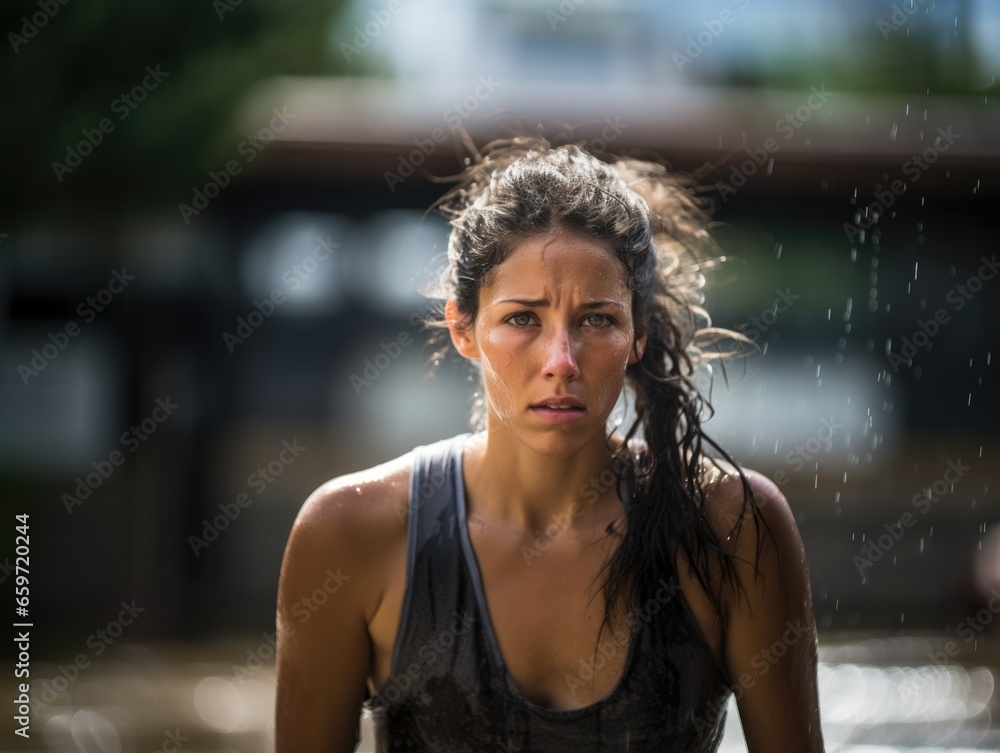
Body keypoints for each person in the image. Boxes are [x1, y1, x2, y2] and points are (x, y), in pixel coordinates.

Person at [274, 134, 824, 752]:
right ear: (464, 329)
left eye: (597, 320)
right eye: (522, 319)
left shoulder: (735, 525)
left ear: (638, 335)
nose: (561, 361)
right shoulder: (349, 532)